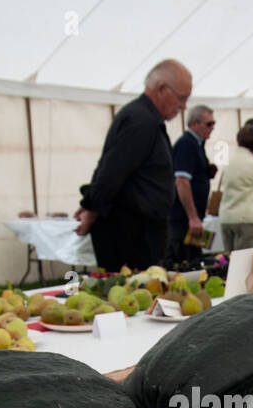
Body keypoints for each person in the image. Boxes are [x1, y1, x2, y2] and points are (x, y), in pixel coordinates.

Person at [75, 59, 187, 271]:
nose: (183, 106)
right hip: (130, 235)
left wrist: (92, 202)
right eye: (181, 98)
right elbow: (112, 172)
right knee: (132, 297)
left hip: (141, 232)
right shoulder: (140, 121)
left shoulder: (146, 118)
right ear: (162, 88)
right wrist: (92, 205)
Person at [166, 105, 214, 263]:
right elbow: (181, 181)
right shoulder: (187, 144)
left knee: (194, 259)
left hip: (191, 218)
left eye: (214, 124)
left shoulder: (197, 144)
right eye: (209, 124)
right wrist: (192, 217)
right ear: (194, 123)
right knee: (184, 262)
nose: (212, 128)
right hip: (183, 220)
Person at [218, 126, 253, 251]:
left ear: (238, 141)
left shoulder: (228, 163)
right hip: (247, 219)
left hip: (227, 217)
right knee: (243, 263)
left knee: (229, 261)